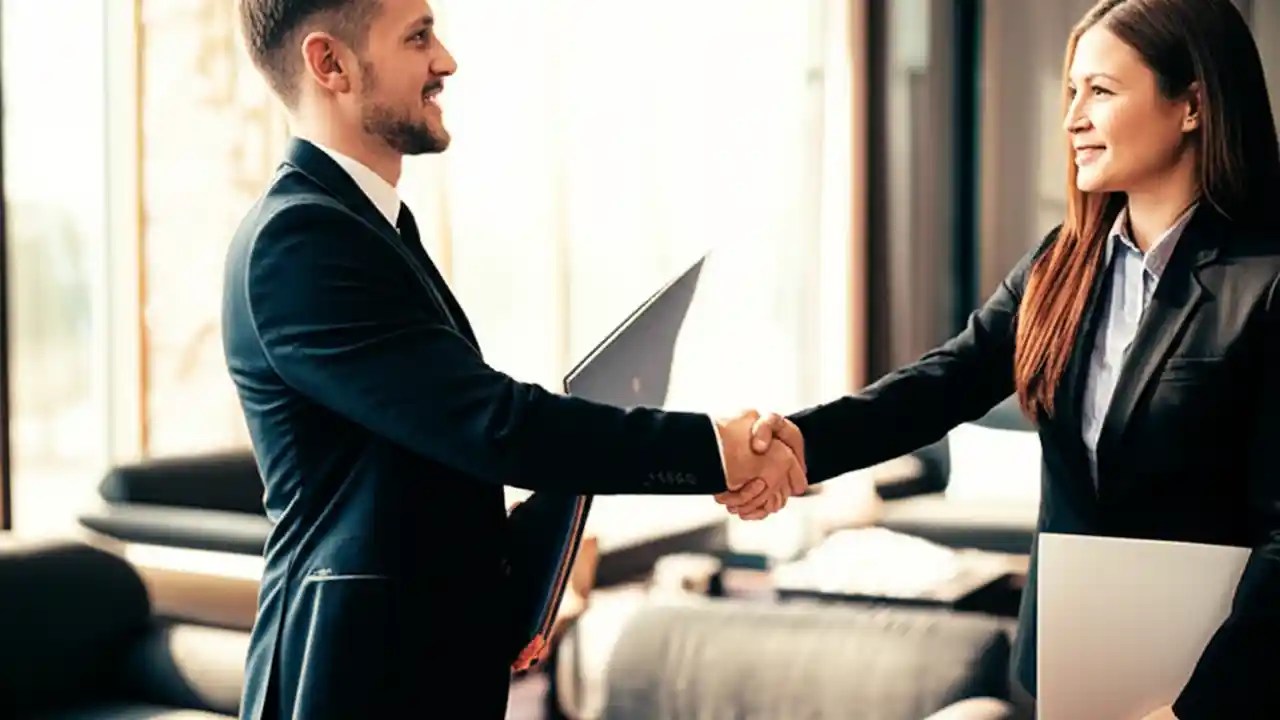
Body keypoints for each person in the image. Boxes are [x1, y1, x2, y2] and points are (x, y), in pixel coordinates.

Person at [223, 1, 807, 718]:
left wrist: (518, 572)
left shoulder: (369, 228)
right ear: (329, 64)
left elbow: (419, 459)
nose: (445, 61)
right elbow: (494, 427)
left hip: (414, 668)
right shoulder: (301, 240)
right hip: (348, 686)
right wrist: (713, 450)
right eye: (417, 37)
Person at [724, 0, 1280, 718]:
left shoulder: (1265, 280)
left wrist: (1196, 711)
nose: (1073, 117)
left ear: (1193, 105)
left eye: (1102, 91)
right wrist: (798, 442)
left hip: (1218, 687)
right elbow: (940, 384)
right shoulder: (1063, 263)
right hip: (1071, 666)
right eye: (1071, 91)